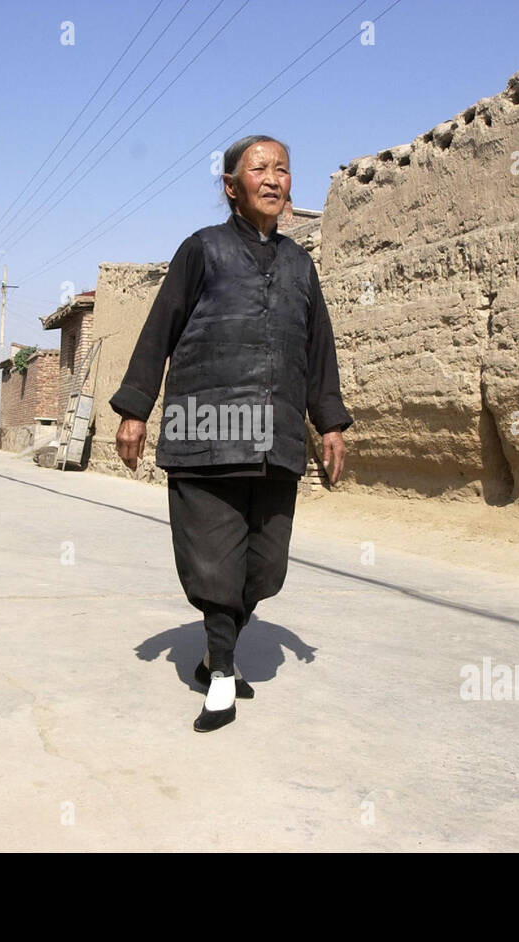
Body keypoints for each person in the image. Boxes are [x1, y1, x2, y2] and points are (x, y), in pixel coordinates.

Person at [111, 134, 351, 733]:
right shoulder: (203, 251)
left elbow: (319, 350)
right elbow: (158, 328)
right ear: (230, 187)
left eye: (283, 169)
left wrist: (331, 423)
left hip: (274, 441)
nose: (273, 179)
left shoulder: (300, 265)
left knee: (265, 569)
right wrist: (135, 409)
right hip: (206, 435)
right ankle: (220, 674)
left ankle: (214, 653)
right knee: (216, 566)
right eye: (259, 169)